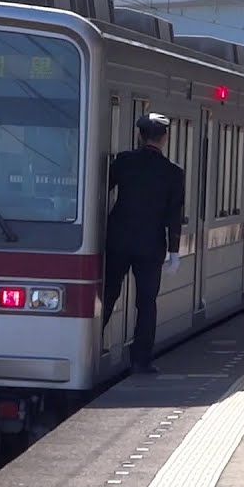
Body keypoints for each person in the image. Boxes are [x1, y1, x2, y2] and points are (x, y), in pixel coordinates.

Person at [101, 112, 185, 374]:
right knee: (146, 303)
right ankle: (141, 359)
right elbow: (174, 213)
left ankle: (91, 346)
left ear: (140, 136)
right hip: (151, 246)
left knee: (107, 296)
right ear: (165, 138)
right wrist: (173, 251)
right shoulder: (173, 173)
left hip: (118, 241)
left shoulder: (124, 162)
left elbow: (103, 187)